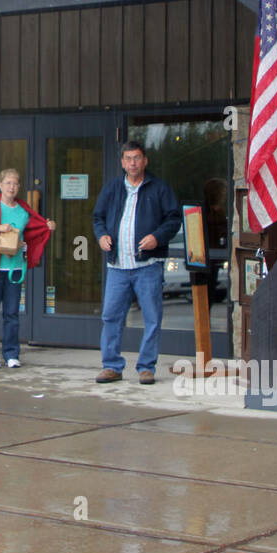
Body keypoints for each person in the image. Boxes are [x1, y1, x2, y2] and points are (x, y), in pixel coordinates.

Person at [91, 140, 182, 384]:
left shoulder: (159, 188)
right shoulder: (112, 188)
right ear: (122, 162)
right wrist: (101, 237)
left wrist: (157, 237)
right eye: (128, 158)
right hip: (117, 268)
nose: (133, 163)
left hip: (147, 266)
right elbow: (98, 217)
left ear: (145, 161)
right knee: (111, 317)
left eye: (137, 158)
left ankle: (146, 367)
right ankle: (111, 366)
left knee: (152, 318)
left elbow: (174, 220)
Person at [0, 168, 56, 369]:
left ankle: (11, 354)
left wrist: (47, 226)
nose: (12, 187)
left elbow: (33, 230)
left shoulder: (23, 208)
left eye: (15, 183)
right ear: (0, 185)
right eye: (8, 183)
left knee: (12, 314)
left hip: (15, 268)